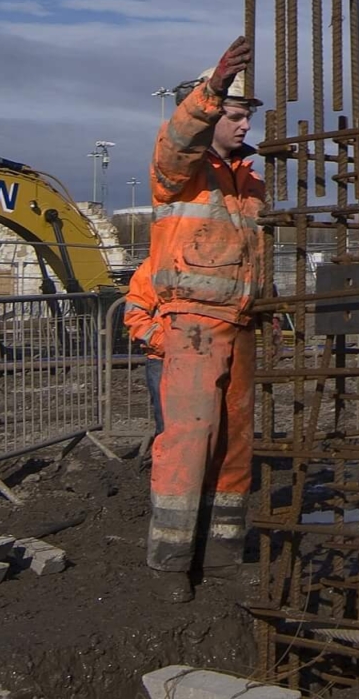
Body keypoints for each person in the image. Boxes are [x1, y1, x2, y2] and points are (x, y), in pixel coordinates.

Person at [145, 36, 265, 601]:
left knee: (235, 444)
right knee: (191, 438)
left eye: (246, 115)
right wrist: (211, 91)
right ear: (214, 113)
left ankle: (221, 551)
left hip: (239, 322)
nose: (243, 125)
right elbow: (176, 143)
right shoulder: (181, 171)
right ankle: (170, 562)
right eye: (236, 115)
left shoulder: (249, 179)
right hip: (192, 321)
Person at [124, 256, 165, 436]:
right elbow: (135, 313)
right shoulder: (154, 265)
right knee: (168, 425)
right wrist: (163, 343)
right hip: (164, 359)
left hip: (208, 359)